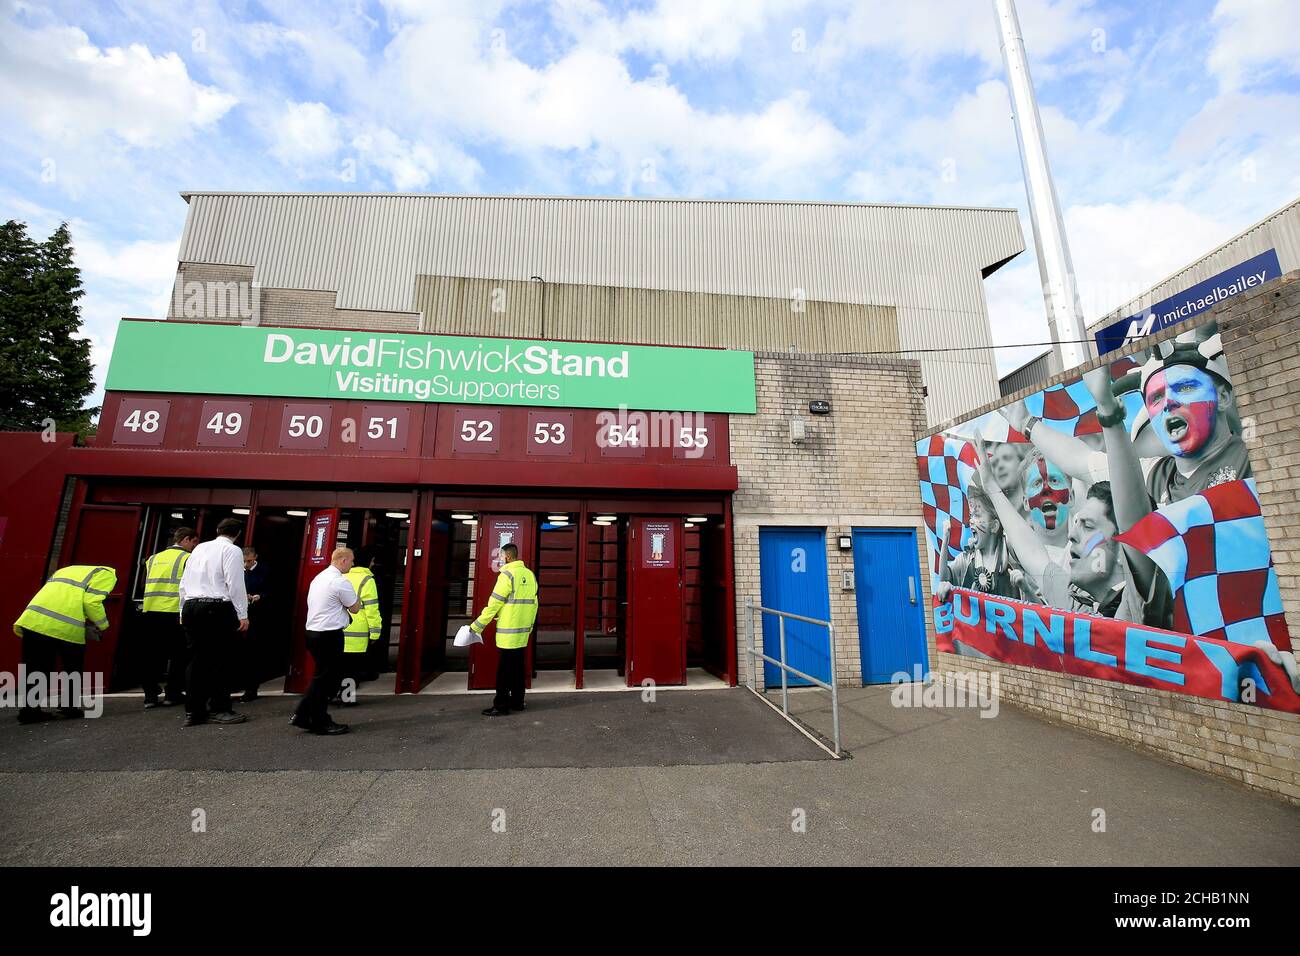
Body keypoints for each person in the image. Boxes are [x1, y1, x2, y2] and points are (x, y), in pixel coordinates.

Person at [12, 564, 117, 723]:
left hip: (33, 620)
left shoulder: (66, 570)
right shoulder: (108, 575)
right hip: (64, 627)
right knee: (72, 668)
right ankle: (69, 707)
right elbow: (91, 602)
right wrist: (103, 625)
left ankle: (29, 712)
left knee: (35, 669)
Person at [178, 518, 249, 727]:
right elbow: (235, 583)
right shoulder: (233, 551)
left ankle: (193, 710)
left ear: (218, 530)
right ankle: (219, 708)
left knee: (196, 661)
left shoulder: (199, 549)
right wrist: (242, 614)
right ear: (237, 534)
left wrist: (182, 610)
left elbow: (184, 582)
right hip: (216, 608)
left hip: (191, 606)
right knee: (220, 660)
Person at [291, 547, 360, 735]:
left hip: (313, 632)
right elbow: (354, 607)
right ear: (343, 560)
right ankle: (318, 720)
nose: (353, 564)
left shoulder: (319, 578)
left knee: (322, 676)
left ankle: (304, 715)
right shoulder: (340, 581)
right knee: (327, 680)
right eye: (352, 561)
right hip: (329, 635)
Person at [469, 542, 539, 717]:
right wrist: (529, 627)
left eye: (501, 556)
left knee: (504, 672)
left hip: (508, 633)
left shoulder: (507, 575)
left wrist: (476, 626)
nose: (500, 559)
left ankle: (500, 706)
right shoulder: (530, 575)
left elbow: (493, 605)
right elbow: (535, 604)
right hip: (523, 632)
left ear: (507, 556)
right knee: (517, 669)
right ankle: (518, 702)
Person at [140, 527, 198, 709]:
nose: (194, 547)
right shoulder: (188, 559)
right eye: (194, 543)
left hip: (150, 611)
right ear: (186, 540)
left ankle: (150, 696)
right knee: (179, 655)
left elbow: (144, 583)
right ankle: (172, 694)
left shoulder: (153, 558)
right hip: (174, 612)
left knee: (151, 655)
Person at [336, 552, 382, 705]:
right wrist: (375, 633)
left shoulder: (342, 576)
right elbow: (372, 610)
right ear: (370, 561)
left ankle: (332, 694)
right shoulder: (367, 580)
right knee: (352, 669)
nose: (374, 564)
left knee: (338, 666)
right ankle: (346, 698)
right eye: (373, 561)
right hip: (357, 633)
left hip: (339, 630)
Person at [238, 546, 269, 702]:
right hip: (238, 616)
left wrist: (258, 597)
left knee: (252, 653)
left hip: (256, 616)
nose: (246, 564)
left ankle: (251, 689)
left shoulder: (265, 571)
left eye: (249, 561)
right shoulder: (237, 569)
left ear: (255, 557)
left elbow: (271, 591)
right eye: (243, 561)